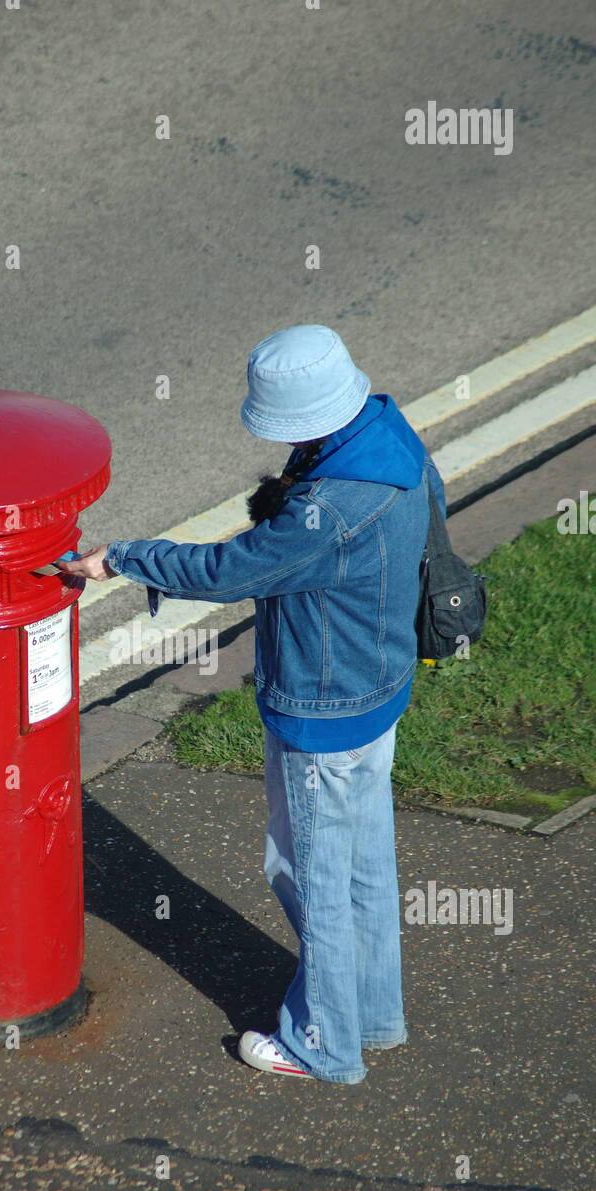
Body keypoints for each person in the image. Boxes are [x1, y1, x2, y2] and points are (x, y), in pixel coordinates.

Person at [56, 324, 446, 1085]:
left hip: (320, 715)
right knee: (363, 866)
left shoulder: (328, 512)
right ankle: (372, 1014)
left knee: (308, 874)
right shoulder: (390, 434)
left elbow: (231, 569)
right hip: (378, 692)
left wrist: (123, 557)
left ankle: (324, 1046)